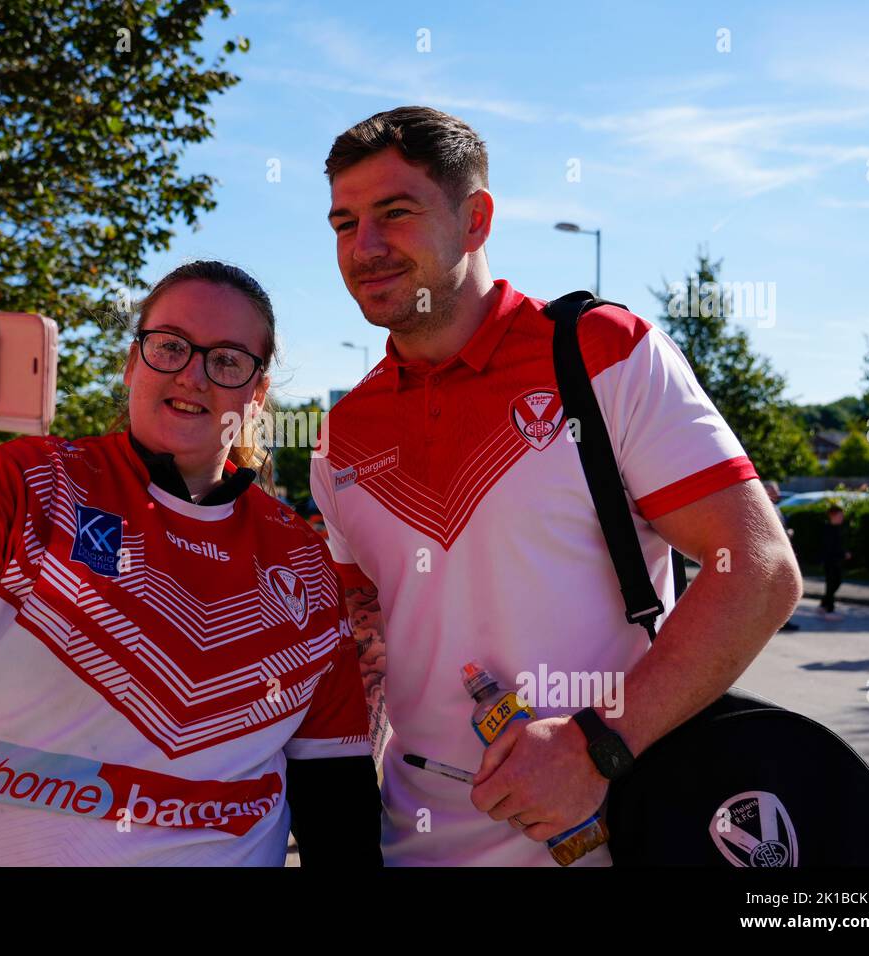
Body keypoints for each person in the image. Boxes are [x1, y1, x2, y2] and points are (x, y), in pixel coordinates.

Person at [0, 261, 380, 866]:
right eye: (170, 346)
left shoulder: (302, 558)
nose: (194, 376)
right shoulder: (37, 480)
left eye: (226, 360)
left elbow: (336, 797)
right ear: (133, 361)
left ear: (258, 390)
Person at [311, 106, 802, 866]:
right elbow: (366, 638)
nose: (364, 247)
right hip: (415, 844)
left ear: (475, 219)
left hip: (615, 828)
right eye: (344, 223)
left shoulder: (602, 350)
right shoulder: (343, 432)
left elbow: (760, 569)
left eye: (395, 213)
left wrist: (596, 745)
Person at [764, 480, 800, 631]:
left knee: (782, 589)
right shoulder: (764, 508)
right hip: (772, 555)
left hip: (780, 554)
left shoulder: (775, 508)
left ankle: (781, 620)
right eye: (773, 490)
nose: (777, 493)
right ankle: (776, 621)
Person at [819, 503, 851, 619]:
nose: (842, 518)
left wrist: (844, 553)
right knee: (831, 583)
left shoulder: (839, 529)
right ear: (832, 515)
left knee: (836, 582)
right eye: (840, 515)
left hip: (837, 560)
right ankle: (829, 609)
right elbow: (830, 547)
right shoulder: (828, 529)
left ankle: (824, 604)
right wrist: (843, 553)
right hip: (830, 561)